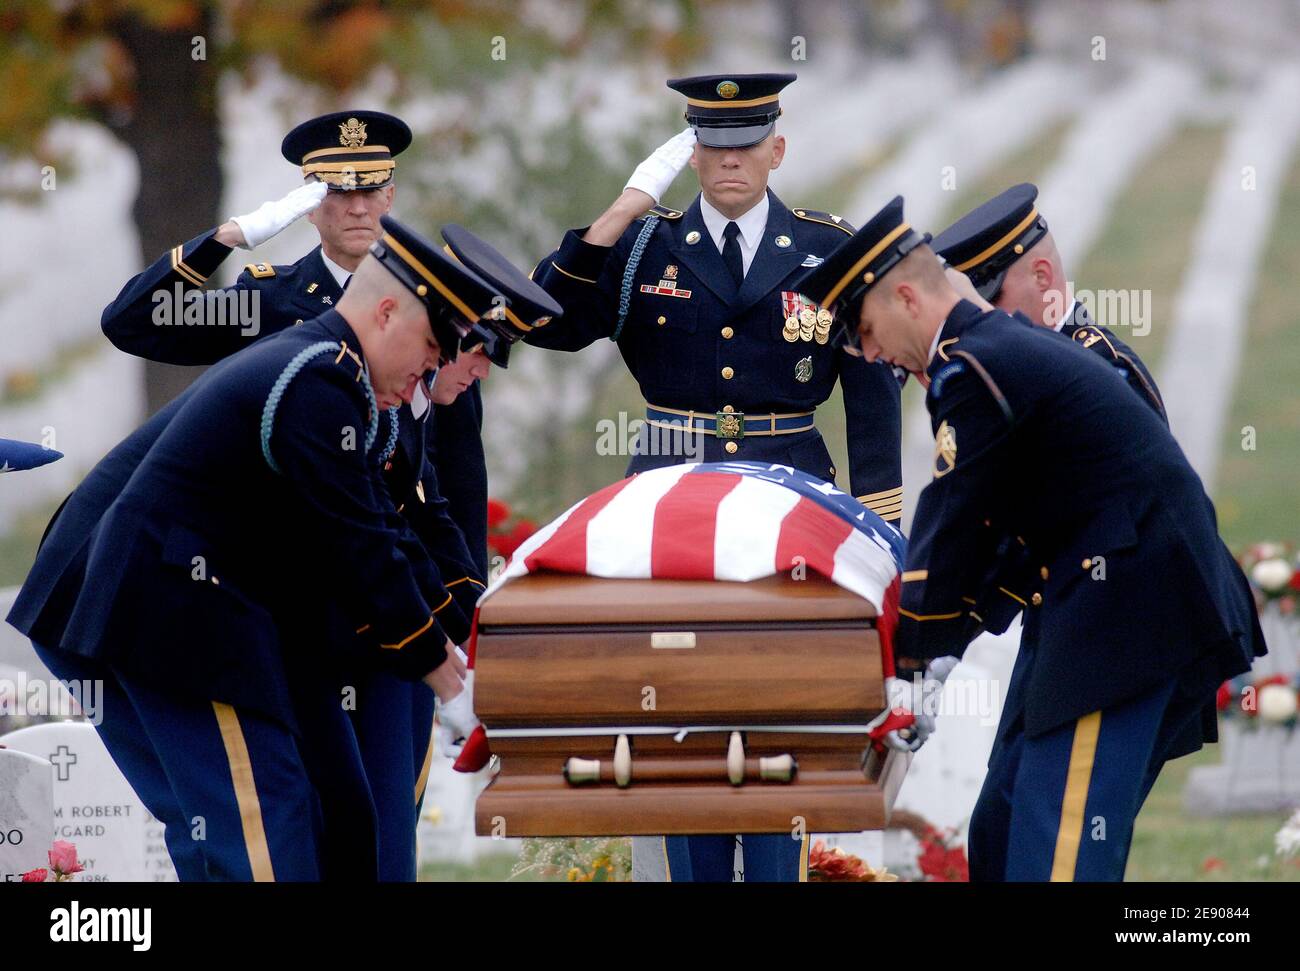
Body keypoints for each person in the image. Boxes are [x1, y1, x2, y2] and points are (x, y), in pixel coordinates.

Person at [795, 195, 1265, 881]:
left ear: (905, 297)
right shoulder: (991, 356)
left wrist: (915, 663)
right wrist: (934, 658)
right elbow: (1000, 532)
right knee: (1004, 819)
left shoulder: (976, 366)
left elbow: (952, 518)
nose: (869, 352)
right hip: (1094, 608)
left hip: (1128, 617)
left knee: (1057, 850)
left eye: (865, 329)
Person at [528, 72, 903, 883]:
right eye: (712, 145)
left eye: (746, 144)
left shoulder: (828, 249)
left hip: (791, 501)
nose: (729, 160)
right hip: (671, 500)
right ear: (690, 154)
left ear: (777, 149)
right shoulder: (641, 249)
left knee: (781, 706)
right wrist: (620, 211)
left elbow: (874, 396)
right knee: (681, 704)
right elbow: (543, 320)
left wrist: (881, 527)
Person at [93, 110, 484, 880]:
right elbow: (134, 321)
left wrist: (464, 604)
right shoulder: (274, 300)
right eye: (336, 193)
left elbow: (453, 469)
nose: (357, 208)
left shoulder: (440, 303)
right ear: (310, 199)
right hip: (294, 613)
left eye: (371, 190)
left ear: (392, 193)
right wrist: (232, 237)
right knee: (301, 817)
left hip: (392, 599)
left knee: (385, 828)